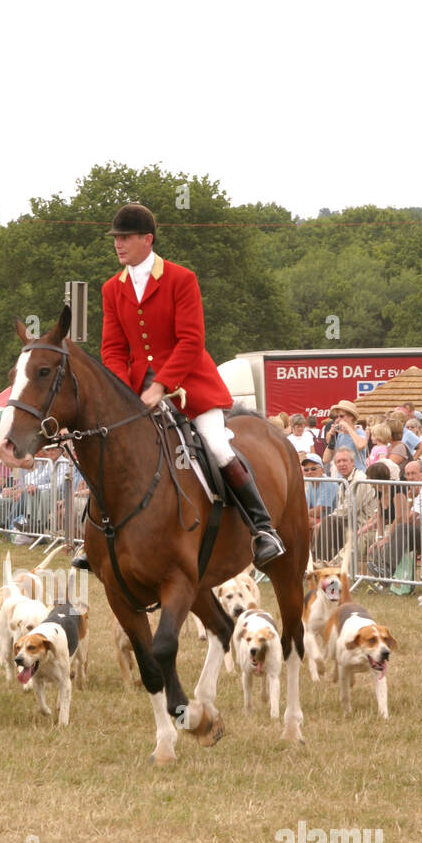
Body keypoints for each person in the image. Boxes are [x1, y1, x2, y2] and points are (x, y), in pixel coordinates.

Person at [91, 201, 284, 570]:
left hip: (189, 386)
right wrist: (122, 392)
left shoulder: (181, 278)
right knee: (108, 450)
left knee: (216, 445)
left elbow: (191, 341)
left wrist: (161, 385)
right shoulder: (112, 289)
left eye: (126, 238)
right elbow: (112, 349)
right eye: (116, 238)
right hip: (134, 393)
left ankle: (262, 528)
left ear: (147, 239)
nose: (118, 244)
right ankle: (100, 537)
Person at [322, 400, 367, 470]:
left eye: (342, 416)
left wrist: (347, 427)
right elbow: (325, 459)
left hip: (357, 477)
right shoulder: (340, 435)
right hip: (341, 478)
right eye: (337, 417)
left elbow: (361, 445)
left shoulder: (359, 432)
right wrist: (332, 438)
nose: (338, 419)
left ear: (351, 417)